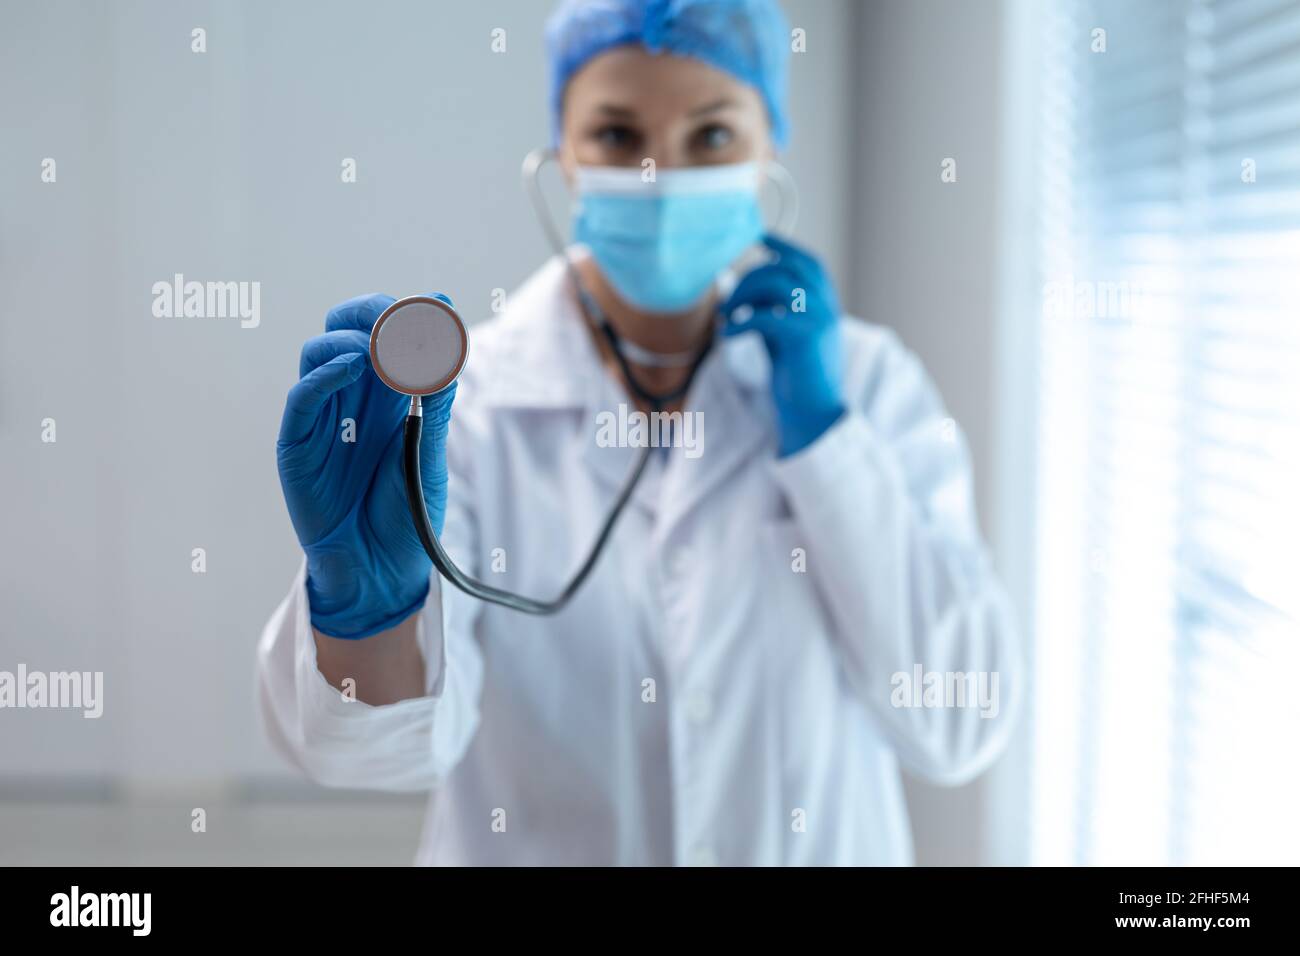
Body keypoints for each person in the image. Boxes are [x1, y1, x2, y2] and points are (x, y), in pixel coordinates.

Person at [258, 0, 1021, 866]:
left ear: (770, 148)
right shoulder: (467, 414)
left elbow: (960, 721)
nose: (661, 172)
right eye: (618, 136)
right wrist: (371, 612)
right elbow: (377, 752)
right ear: (564, 160)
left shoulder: (870, 385)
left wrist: (826, 441)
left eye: (712, 136)